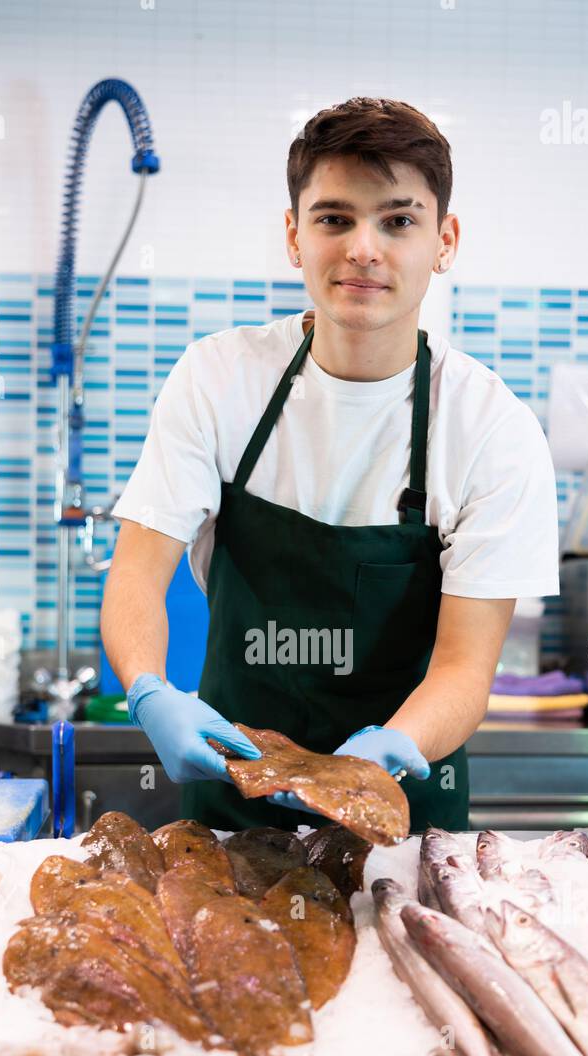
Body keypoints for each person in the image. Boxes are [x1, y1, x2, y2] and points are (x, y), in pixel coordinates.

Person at [101, 96, 559, 833]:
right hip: (233, 801)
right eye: (334, 218)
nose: (363, 250)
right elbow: (137, 571)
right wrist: (151, 690)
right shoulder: (218, 378)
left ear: (445, 242)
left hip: (402, 817)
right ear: (294, 235)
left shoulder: (490, 428)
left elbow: (465, 669)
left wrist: (389, 750)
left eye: (399, 221)